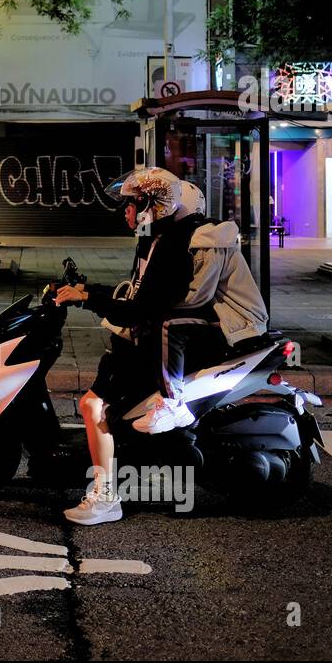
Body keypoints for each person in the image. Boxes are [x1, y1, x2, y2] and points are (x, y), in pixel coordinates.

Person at [50, 167, 214, 525]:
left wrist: (88, 298)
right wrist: (87, 292)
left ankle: (105, 497)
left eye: (132, 204)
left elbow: (141, 309)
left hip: (149, 344)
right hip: (143, 340)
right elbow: (135, 295)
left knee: (93, 406)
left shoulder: (170, 246)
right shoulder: (155, 242)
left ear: (154, 206)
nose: (126, 211)